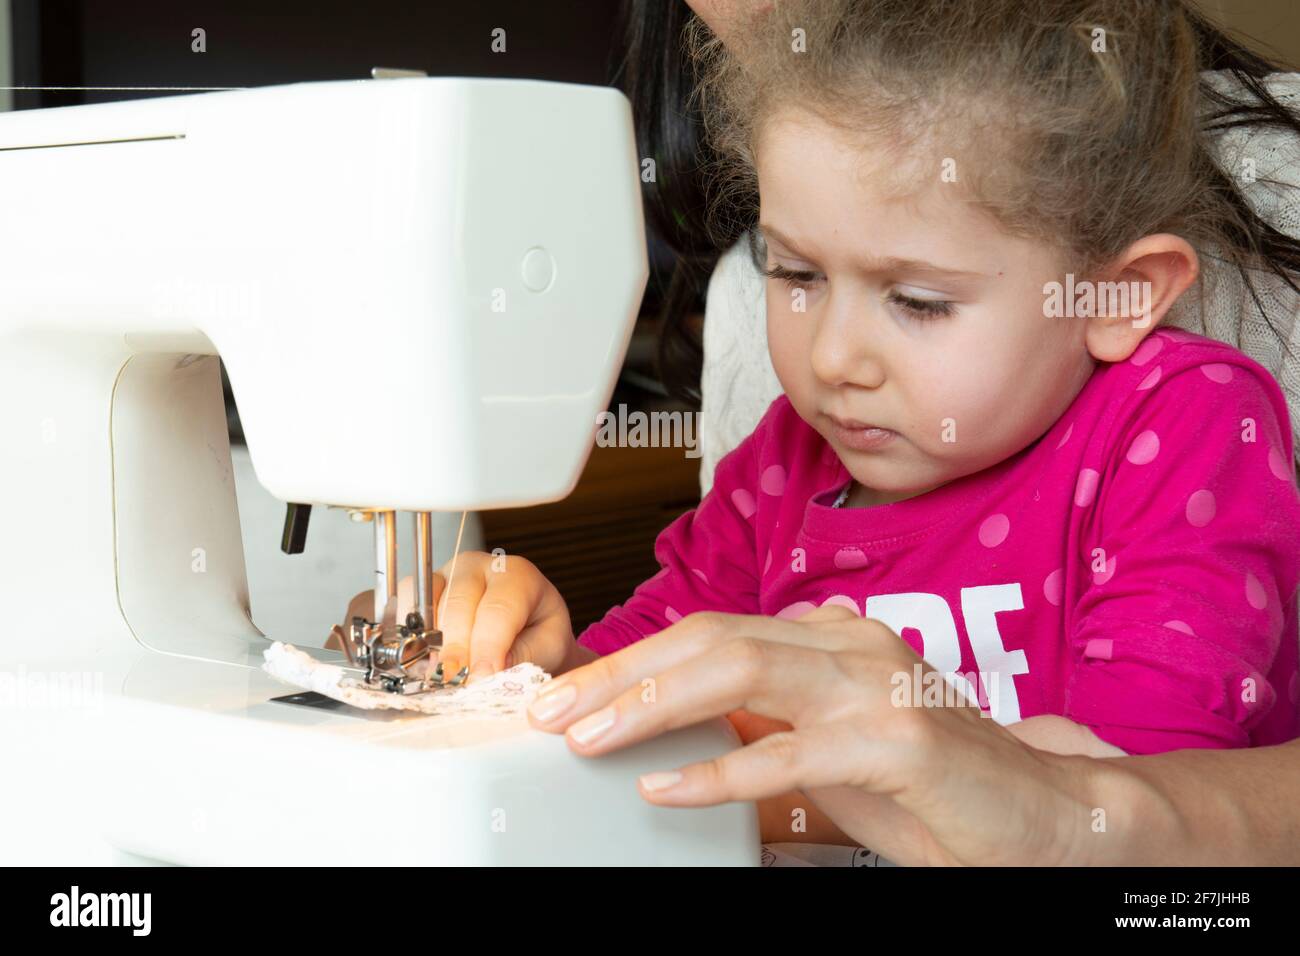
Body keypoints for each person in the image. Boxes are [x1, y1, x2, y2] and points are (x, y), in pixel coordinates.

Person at [351, 0, 1300, 864]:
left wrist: (771, 764)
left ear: (1118, 294)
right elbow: (649, 686)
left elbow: (1122, 793)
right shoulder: (789, 460)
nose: (835, 356)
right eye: (795, 273)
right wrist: (542, 667)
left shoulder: (1180, 427)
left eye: (919, 302)